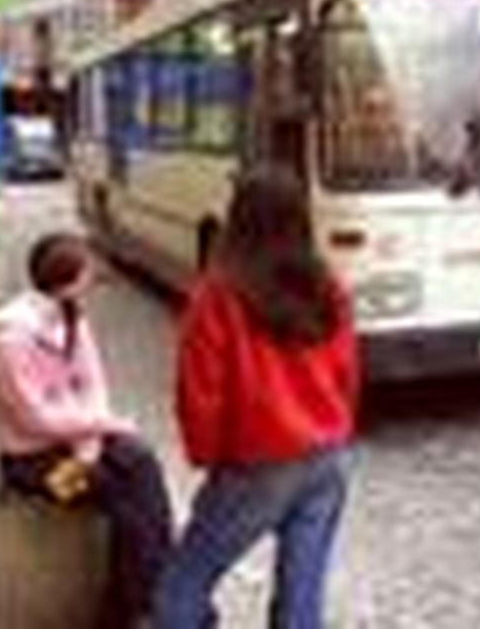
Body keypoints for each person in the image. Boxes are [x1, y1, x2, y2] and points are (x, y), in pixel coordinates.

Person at [155, 167, 361, 629]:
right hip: (325, 456)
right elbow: (347, 371)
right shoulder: (326, 284)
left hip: (257, 461)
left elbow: (201, 390)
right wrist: (340, 428)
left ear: (239, 218)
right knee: (302, 592)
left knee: (185, 579)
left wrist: (209, 455)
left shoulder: (220, 292)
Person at [0, 232, 173, 629]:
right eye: (87, 271)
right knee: (122, 502)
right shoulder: (10, 341)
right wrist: (100, 429)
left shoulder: (74, 319)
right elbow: (34, 419)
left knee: (143, 463)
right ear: (67, 278)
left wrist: (91, 439)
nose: (93, 278)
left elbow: (94, 384)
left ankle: (155, 599)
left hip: (80, 439)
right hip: (31, 462)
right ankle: (133, 612)